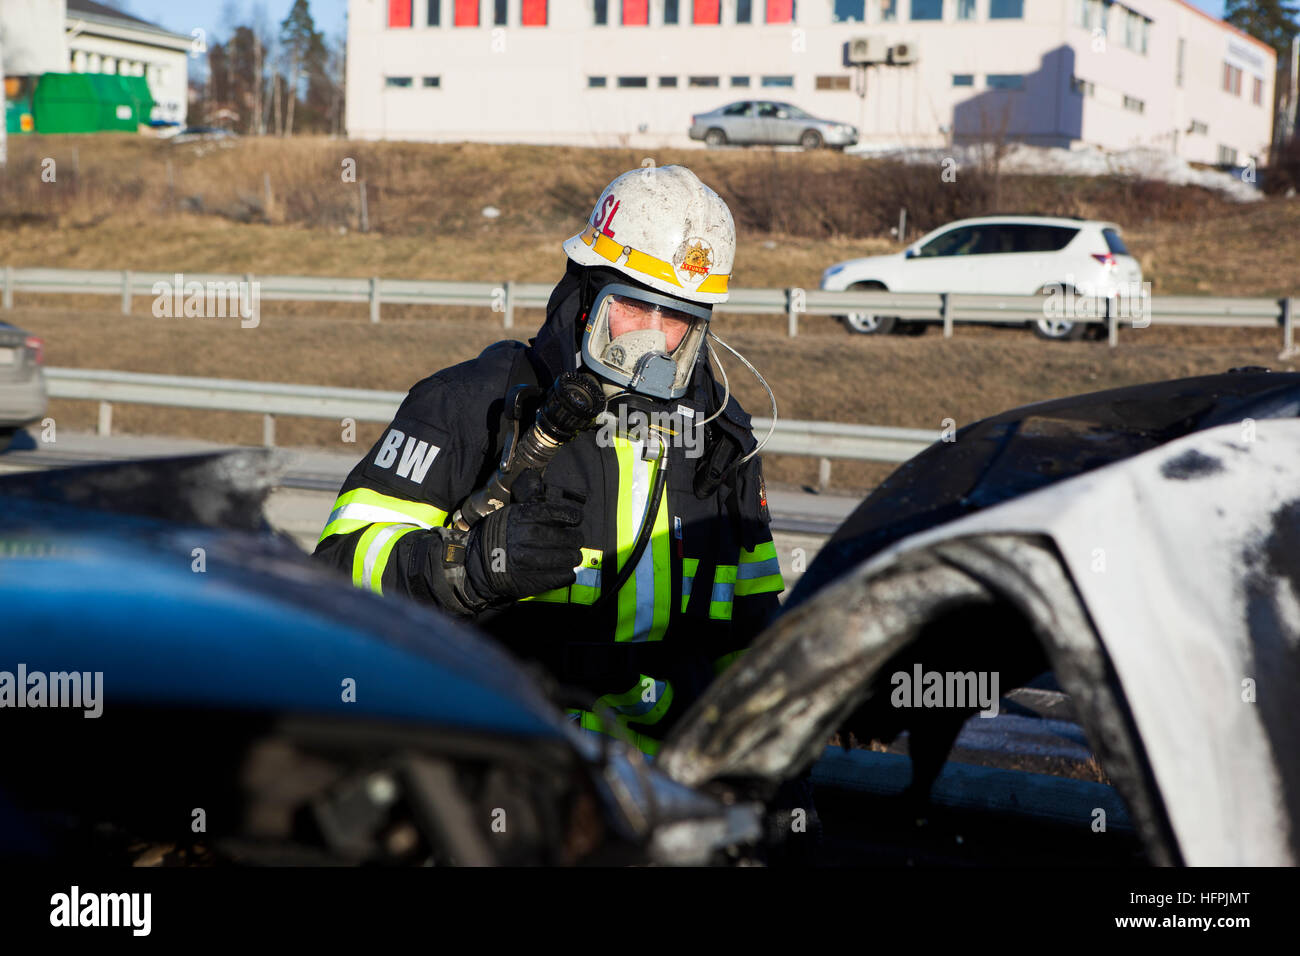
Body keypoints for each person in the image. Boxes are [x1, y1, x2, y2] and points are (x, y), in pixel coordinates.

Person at [313, 165, 783, 756]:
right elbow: (335, 575)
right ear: (585, 294)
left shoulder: (722, 441)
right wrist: (465, 569)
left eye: (681, 318)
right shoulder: (470, 404)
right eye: (635, 308)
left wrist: (777, 772)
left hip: (654, 799)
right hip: (490, 770)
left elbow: (755, 631)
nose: (655, 341)